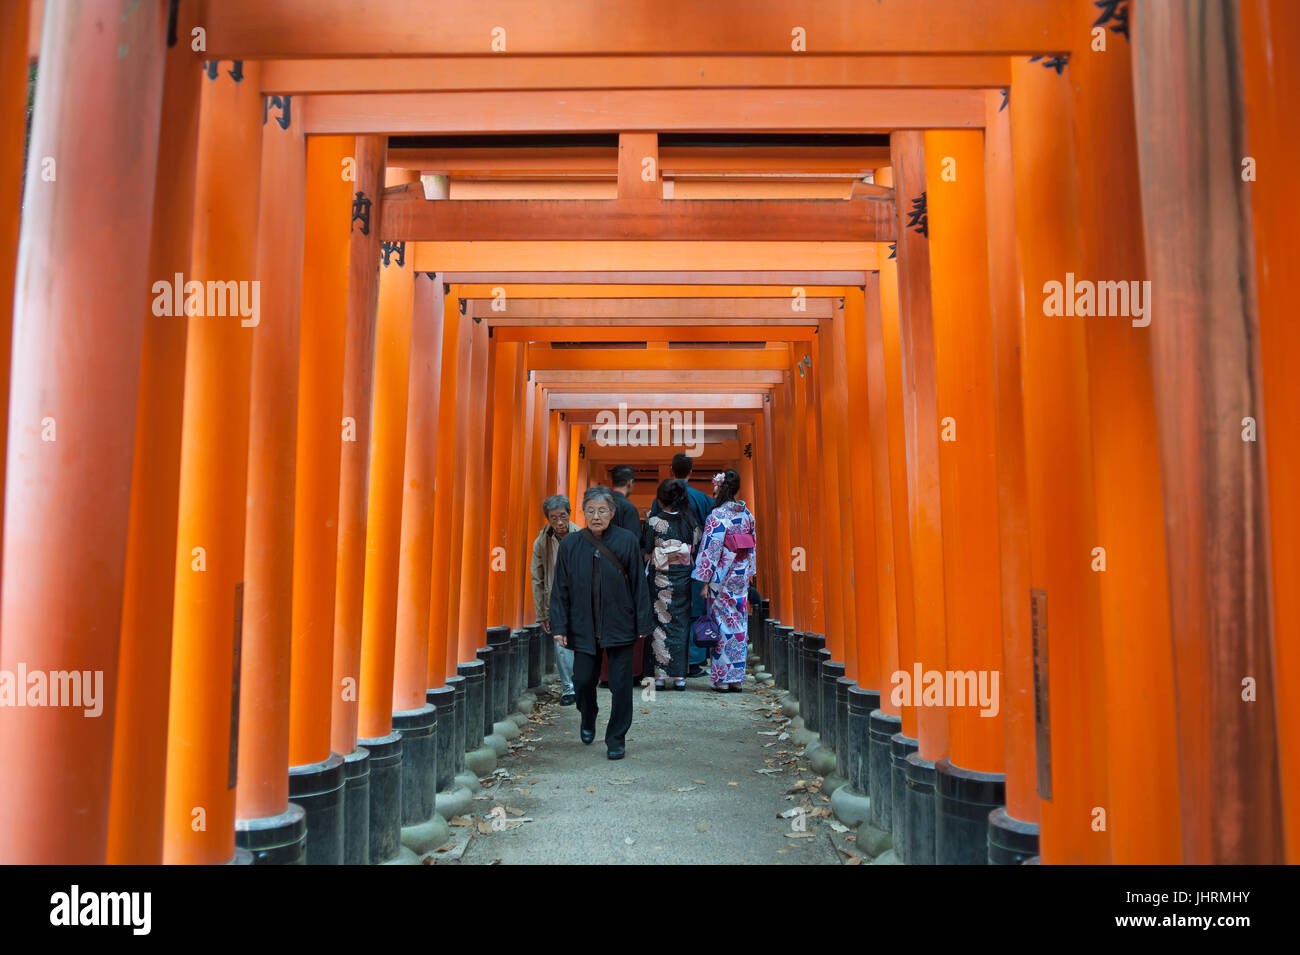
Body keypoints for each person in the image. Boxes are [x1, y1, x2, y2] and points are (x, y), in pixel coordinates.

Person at [550, 485, 654, 759]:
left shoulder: (627, 540)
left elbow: (640, 585)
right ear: (582, 512)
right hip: (583, 625)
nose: (596, 516)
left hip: (620, 623)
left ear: (612, 512)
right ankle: (588, 714)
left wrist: (643, 622)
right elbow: (559, 587)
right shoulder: (571, 544)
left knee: (621, 686)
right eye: (591, 511)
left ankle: (616, 738)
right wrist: (559, 626)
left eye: (602, 511)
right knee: (582, 680)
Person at [647, 452, 715, 675]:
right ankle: (692, 662)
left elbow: (655, 532)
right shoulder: (703, 499)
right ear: (691, 470)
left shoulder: (662, 497)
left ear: (671, 469)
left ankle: (667, 661)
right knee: (692, 611)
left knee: (666, 614)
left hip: (665, 568)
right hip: (694, 564)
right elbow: (709, 533)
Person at [691, 469, 758, 692]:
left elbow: (710, 550)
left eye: (715, 486)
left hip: (721, 576)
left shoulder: (717, 516)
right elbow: (752, 547)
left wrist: (704, 580)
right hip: (740, 574)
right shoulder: (747, 515)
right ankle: (736, 678)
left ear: (720, 488)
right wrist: (749, 572)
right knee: (739, 625)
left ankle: (722, 679)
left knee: (721, 625)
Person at [641, 479, 701, 691]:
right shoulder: (690, 521)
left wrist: (660, 553)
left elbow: (647, 550)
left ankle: (658, 676)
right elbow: (693, 548)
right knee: (681, 624)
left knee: (659, 624)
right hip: (683, 577)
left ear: (660, 499)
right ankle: (679, 677)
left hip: (659, 578)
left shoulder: (653, 522)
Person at [531, 494, 579, 705]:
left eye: (562, 516)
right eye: (553, 518)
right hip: (555, 598)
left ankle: (581, 684)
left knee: (582, 642)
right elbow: (537, 578)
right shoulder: (542, 541)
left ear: (569, 514)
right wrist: (541, 613)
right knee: (561, 643)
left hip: (580, 598)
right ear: (548, 519)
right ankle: (569, 688)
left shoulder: (582, 536)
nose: (559, 522)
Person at [608, 464, 643, 540]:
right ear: (630, 483)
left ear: (612, 481)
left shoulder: (601, 502)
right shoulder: (628, 507)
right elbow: (633, 539)